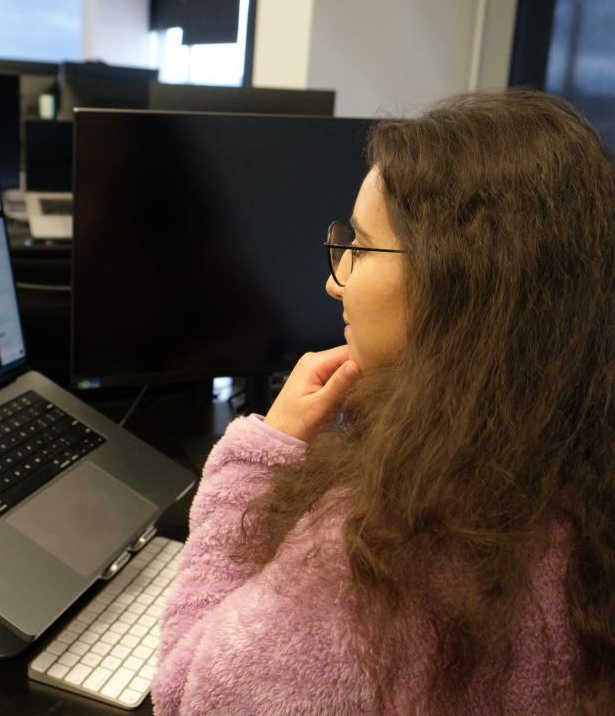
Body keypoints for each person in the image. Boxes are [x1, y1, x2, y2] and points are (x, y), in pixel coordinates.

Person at [152, 89, 615, 715]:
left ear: (459, 283)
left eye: (362, 248)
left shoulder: (377, 555)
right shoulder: (581, 489)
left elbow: (189, 692)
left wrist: (259, 456)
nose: (334, 278)